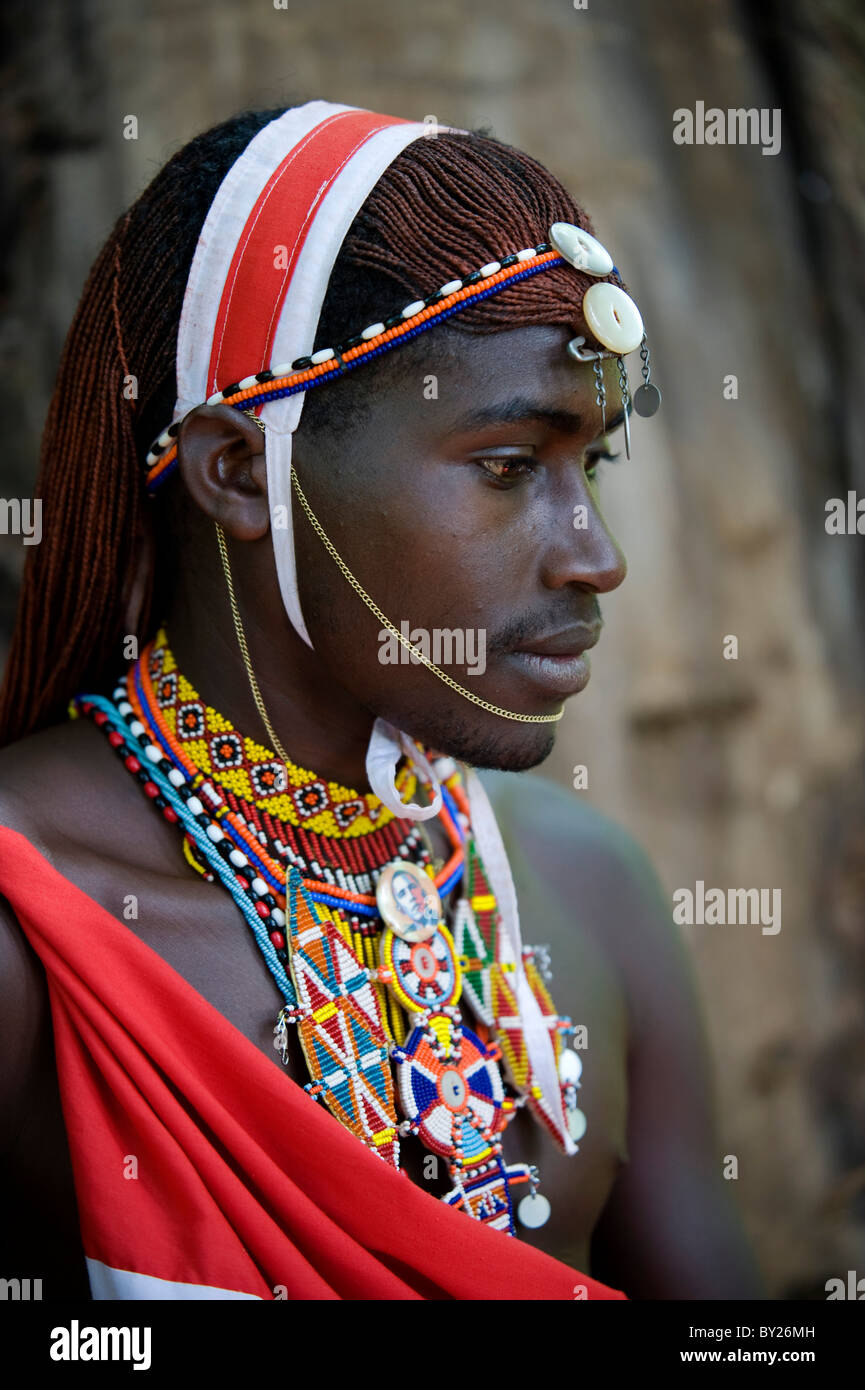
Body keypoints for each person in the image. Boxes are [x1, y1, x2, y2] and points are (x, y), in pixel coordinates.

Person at [0, 101, 764, 1300]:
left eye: (589, 467)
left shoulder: (589, 890)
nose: (595, 556)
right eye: (510, 467)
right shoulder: (33, 928)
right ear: (243, 471)